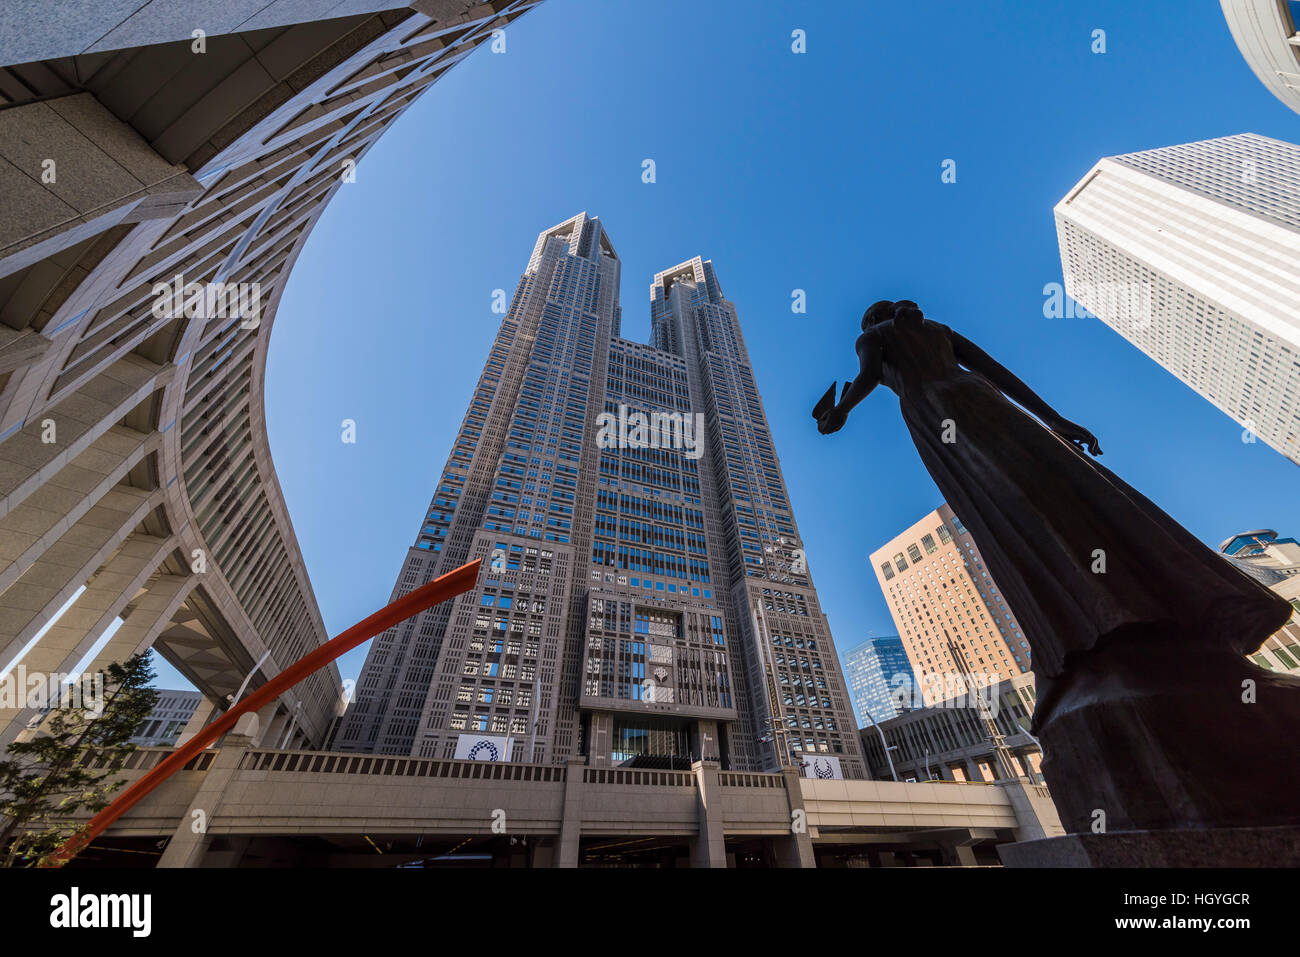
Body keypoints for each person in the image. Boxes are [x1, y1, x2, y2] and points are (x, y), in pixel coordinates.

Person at [814, 299, 1290, 680]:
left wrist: (842, 413)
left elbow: (869, 376)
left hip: (935, 412)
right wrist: (1055, 419)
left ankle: (1092, 619)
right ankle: (1152, 597)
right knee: (1060, 485)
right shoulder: (938, 329)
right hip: (983, 399)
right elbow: (999, 374)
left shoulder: (872, 337)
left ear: (871, 321)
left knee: (1004, 507)